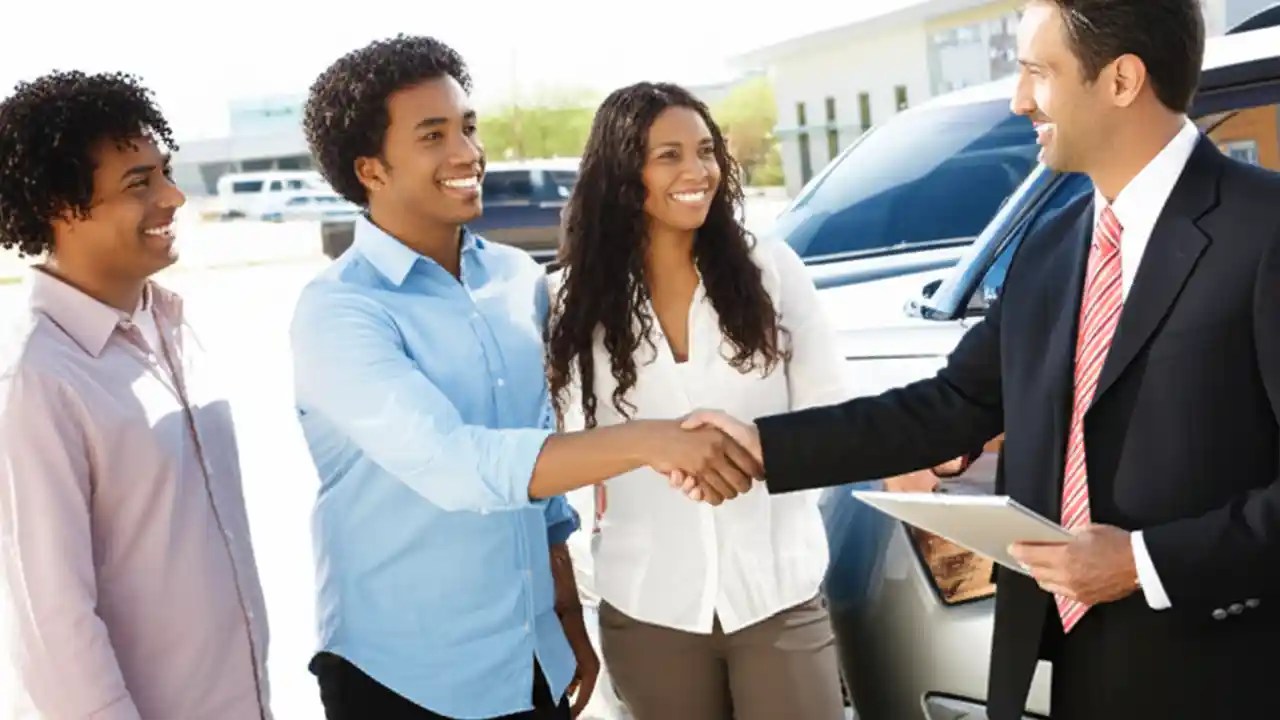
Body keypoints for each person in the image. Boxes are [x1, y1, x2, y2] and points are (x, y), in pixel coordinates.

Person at [680, 1, 1280, 718]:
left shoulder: (1265, 232)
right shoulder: (1054, 246)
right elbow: (949, 406)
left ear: (1121, 79)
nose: (1018, 98)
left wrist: (1144, 562)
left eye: (1037, 72)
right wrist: (762, 448)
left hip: (1236, 670)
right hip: (1075, 670)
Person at [290, 36, 760, 720]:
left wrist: (564, 611)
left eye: (467, 128)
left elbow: (537, 470)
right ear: (371, 169)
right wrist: (651, 440)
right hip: (403, 672)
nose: (467, 154)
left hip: (530, 659)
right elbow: (455, 463)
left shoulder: (515, 280)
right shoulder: (340, 311)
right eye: (433, 135)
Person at [544, 82, 847, 720]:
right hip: (649, 605)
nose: (697, 171)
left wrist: (758, 477)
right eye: (669, 155)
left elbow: (831, 418)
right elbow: (560, 452)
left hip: (778, 597)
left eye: (706, 151)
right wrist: (655, 452)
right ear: (624, 172)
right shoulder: (571, 304)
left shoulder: (774, 272)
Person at [0, 71, 272, 719]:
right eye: (138, 183)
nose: (174, 197)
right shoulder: (37, 380)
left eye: (165, 172)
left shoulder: (171, 326)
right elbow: (54, 625)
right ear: (60, 206)